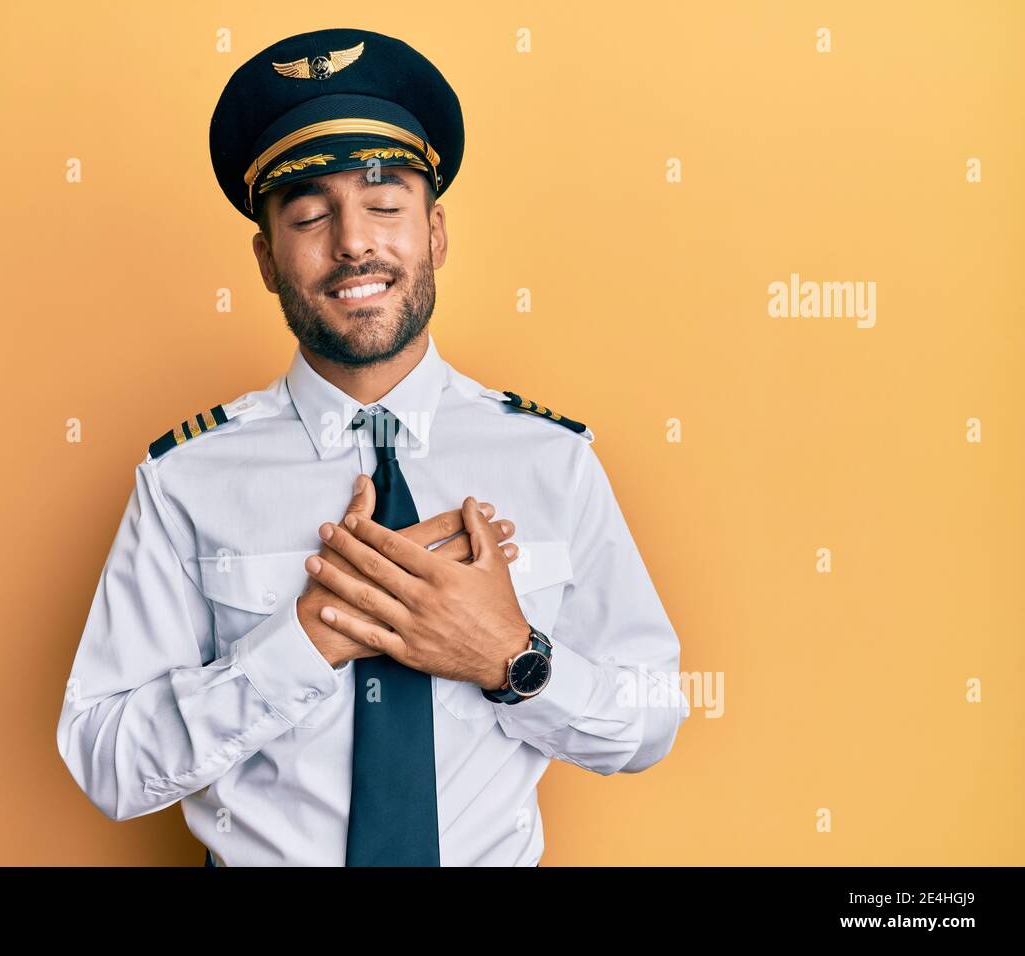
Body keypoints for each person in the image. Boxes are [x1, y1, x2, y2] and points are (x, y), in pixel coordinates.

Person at [55, 27, 688, 867]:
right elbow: (107, 760)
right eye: (310, 214)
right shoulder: (185, 479)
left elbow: (648, 717)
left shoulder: (553, 459)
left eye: (385, 205)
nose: (353, 240)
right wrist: (304, 641)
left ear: (435, 235)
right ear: (267, 261)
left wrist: (510, 656)